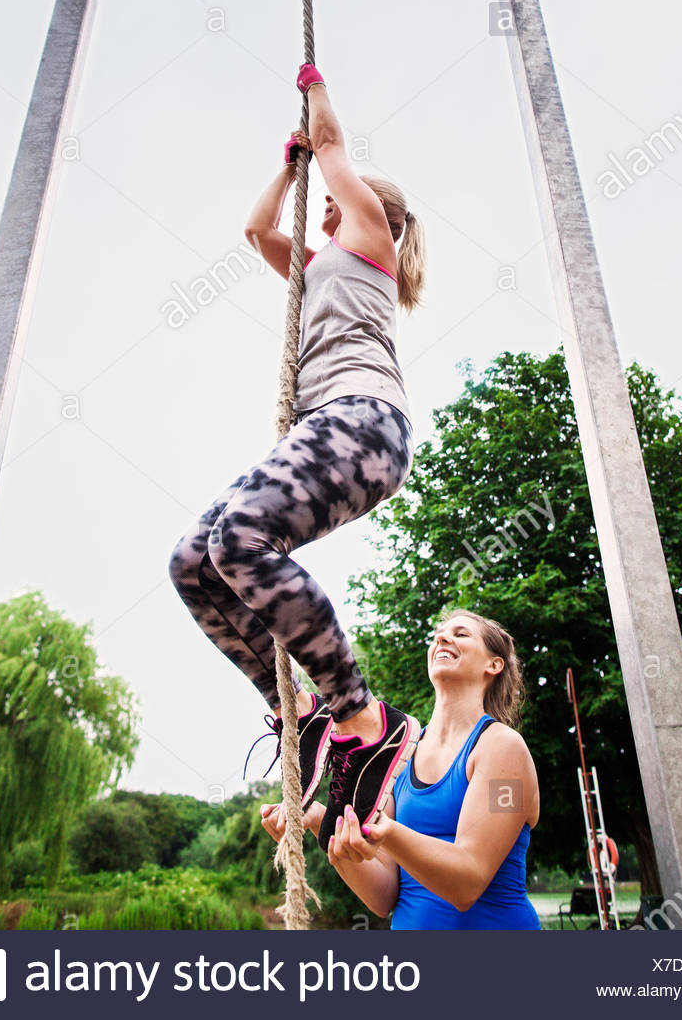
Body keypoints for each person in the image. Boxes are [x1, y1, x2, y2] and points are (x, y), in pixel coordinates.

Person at [169, 63, 427, 845]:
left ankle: (362, 715)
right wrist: (287, 169)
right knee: (194, 559)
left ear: (365, 211)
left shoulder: (373, 241)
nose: (323, 203)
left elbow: (334, 142)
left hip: (366, 423)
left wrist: (316, 92)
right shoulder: (315, 273)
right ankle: (302, 717)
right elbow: (254, 232)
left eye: (331, 195)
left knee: (241, 537)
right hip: (333, 428)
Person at [262, 609, 542, 928]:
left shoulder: (504, 748)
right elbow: (383, 897)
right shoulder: (403, 752)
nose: (443, 638)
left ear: (493, 664)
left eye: (461, 634)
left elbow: (468, 883)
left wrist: (385, 830)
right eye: (439, 634)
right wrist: (320, 822)